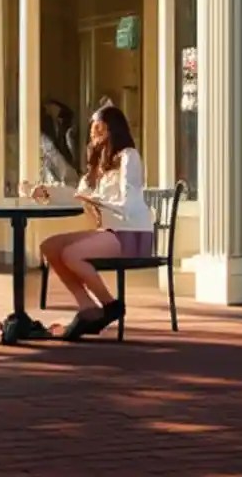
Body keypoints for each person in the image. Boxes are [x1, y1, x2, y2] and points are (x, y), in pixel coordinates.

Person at [31, 105, 152, 341]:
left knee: (71, 254)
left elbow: (127, 203)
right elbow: (77, 195)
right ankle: (87, 306)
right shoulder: (98, 167)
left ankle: (110, 305)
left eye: (99, 128)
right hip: (109, 231)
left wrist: (95, 201)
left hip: (131, 232)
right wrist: (47, 192)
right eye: (92, 129)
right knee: (50, 247)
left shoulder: (129, 157)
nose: (94, 134)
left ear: (113, 129)